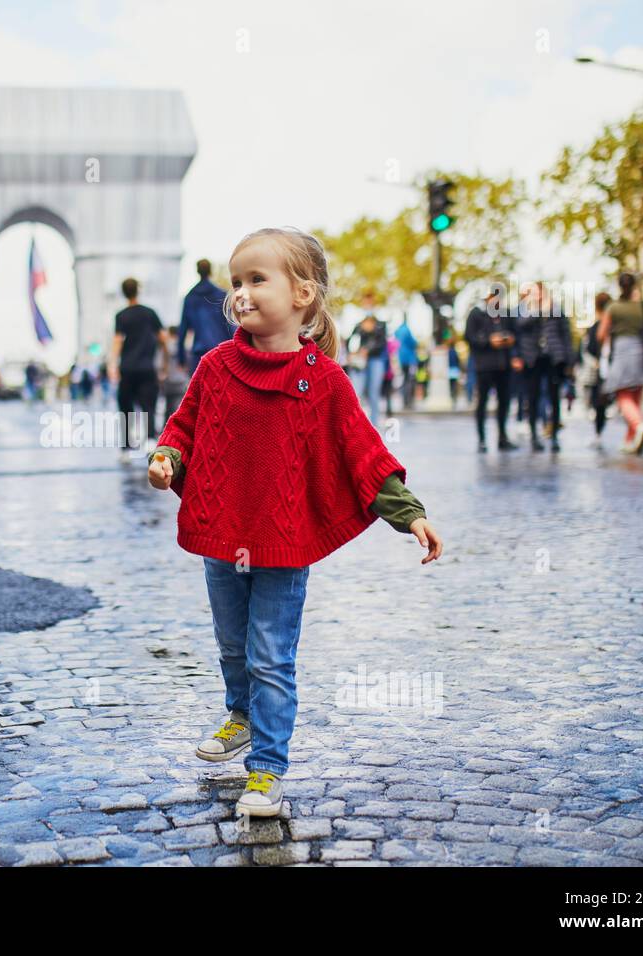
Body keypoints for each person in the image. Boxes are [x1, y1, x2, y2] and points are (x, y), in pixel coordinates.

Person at [147, 226, 442, 818]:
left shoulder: (325, 380)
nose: (241, 292)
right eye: (237, 282)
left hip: (283, 546)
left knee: (270, 656)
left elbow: (362, 453)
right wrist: (168, 456)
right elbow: (185, 424)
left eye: (258, 280)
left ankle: (266, 772)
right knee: (233, 647)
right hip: (222, 537)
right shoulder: (215, 366)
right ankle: (239, 716)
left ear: (303, 294)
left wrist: (409, 514)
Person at [598, 272, 643, 455]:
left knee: (622, 395)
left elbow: (601, 334)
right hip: (642, 350)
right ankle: (630, 439)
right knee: (635, 396)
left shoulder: (613, 308)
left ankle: (638, 425)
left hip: (622, 351)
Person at [109, 277, 167, 460]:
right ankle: (150, 440)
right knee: (148, 404)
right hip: (146, 367)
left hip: (127, 367)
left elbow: (117, 342)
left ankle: (126, 449)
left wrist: (112, 364)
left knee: (125, 407)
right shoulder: (150, 313)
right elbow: (163, 339)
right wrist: (165, 359)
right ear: (138, 290)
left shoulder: (121, 316)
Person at [515, 282, 574, 452]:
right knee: (532, 397)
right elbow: (520, 326)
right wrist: (538, 312)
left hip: (553, 358)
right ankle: (534, 435)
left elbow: (566, 334)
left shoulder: (556, 309)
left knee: (554, 398)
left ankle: (554, 435)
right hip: (532, 358)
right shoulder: (524, 309)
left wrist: (569, 360)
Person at [465, 287, 519, 452]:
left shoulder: (505, 314)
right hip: (484, 366)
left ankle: (502, 436)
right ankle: (482, 439)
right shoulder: (476, 314)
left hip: (503, 365)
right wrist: (488, 341)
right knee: (482, 402)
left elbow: (516, 334)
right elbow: (469, 337)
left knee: (504, 402)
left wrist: (510, 340)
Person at [177, 258, 230, 375]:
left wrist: (181, 358)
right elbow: (230, 325)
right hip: (222, 353)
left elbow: (182, 330)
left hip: (199, 355)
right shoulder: (221, 295)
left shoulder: (190, 297)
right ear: (210, 271)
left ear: (197, 272)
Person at [577, 292, 614, 449]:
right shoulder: (614, 327)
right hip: (612, 367)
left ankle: (598, 433)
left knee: (599, 403)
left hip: (601, 370)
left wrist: (595, 363)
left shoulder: (595, 328)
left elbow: (588, 350)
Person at [348, 292, 388, 426]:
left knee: (374, 393)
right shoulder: (359, 325)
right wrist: (354, 353)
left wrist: (367, 350)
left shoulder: (381, 325)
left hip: (376, 360)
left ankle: (374, 424)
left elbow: (382, 343)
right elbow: (351, 342)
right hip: (360, 363)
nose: (368, 306)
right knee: (357, 391)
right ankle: (356, 424)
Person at [161, 325, 190, 419]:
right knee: (178, 408)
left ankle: (166, 430)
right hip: (182, 381)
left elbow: (159, 363)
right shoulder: (184, 348)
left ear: (169, 333)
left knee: (168, 408)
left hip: (168, 381)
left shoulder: (165, 347)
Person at [395, 317, 419, 409]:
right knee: (410, 379)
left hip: (400, 358)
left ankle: (404, 400)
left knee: (404, 379)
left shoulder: (397, 331)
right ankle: (409, 401)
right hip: (409, 358)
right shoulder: (407, 330)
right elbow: (413, 343)